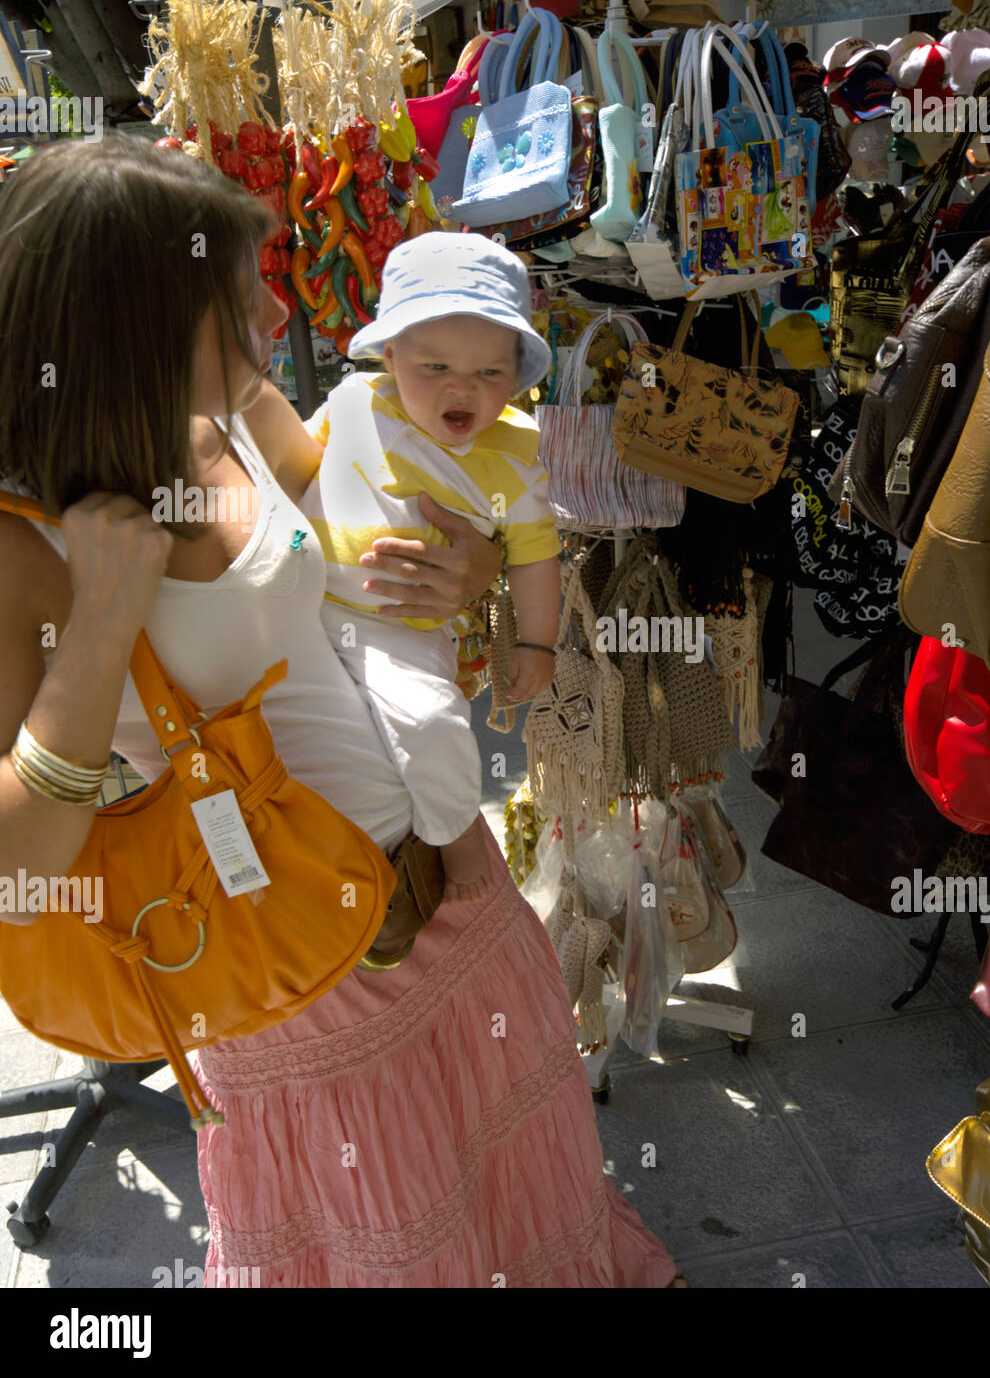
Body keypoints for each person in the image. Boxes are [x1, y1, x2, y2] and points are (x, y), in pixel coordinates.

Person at [0, 133, 682, 1287]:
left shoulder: (230, 416)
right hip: (294, 955)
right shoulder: (27, 545)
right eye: (238, 298)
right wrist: (105, 622)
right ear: (138, 325)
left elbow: (353, 549)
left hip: (442, 876)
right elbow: (18, 865)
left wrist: (465, 574)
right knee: (397, 1223)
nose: (277, 315)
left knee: (519, 1161)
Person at [299, 232, 561, 908]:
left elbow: (535, 559)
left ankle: (457, 835)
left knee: (429, 724)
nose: (462, 389)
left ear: (518, 375)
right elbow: (288, 467)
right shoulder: (353, 404)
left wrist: (537, 641)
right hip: (296, 604)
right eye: (435, 366)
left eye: (489, 374)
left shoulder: (514, 455)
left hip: (397, 625)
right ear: (390, 357)